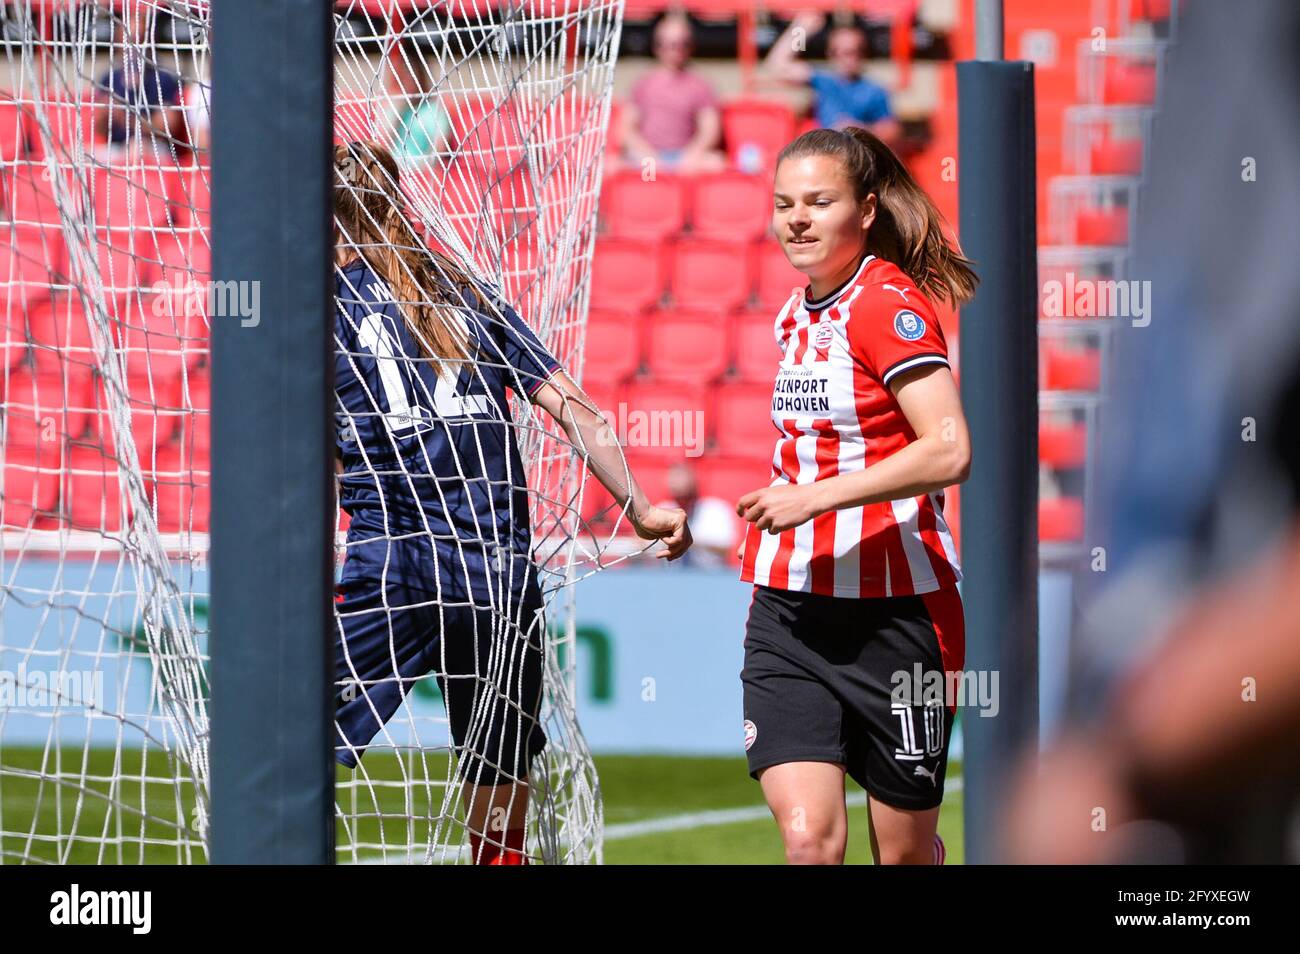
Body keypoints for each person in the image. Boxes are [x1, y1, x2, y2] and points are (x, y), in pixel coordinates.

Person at [331, 141, 691, 864]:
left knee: (291, 742)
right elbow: (578, 413)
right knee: (496, 772)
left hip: (393, 568)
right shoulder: (468, 291)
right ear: (400, 200)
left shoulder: (322, 311)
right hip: (495, 575)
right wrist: (643, 507)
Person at [735, 126, 977, 864]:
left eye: (819, 201)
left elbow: (950, 447)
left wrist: (817, 498)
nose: (797, 219)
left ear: (866, 210)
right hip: (792, 612)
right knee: (810, 842)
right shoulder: (794, 314)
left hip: (897, 622)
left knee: (902, 857)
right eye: (784, 204)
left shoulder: (887, 306)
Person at [763, 13, 900, 148]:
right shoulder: (823, 81)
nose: (849, 59)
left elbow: (892, 131)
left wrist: (860, 130)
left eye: (856, 51)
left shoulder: (874, 90)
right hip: (825, 153)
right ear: (830, 54)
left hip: (858, 156)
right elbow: (777, 66)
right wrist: (801, 29)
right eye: (841, 52)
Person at [620, 13, 726, 175]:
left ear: (690, 46)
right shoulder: (644, 83)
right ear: (656, 46)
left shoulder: (700, 84)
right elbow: (626, 129)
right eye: (667, 44)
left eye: (681, 44)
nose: (674, 50)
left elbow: (710, 130)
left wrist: (691, 155)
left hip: (685, 158)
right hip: (648, 157)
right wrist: (649, 156)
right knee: (610, 167)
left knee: (716, 164)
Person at [386, 37, 451, 168]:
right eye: (403, 77)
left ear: (421, 78)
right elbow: (383, 143)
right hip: (393, 167)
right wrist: (397, 110)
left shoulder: (434, 110)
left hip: (420, 170)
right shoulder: (396, 107)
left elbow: (439, 149)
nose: (406, 82)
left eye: (410, 77)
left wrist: (421, 169)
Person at [657, 461, 737, 567]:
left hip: (709, 574)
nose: (676, 481)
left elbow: (726, 549)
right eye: (673, 477)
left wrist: (687, 541)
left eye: (681, 476)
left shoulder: (716, 509)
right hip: (667, 575)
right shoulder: (661, 509)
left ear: (694, 479)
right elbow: (644, 544)